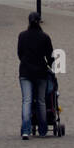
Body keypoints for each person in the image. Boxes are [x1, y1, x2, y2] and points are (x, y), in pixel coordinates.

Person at [17, 11, 54, 139]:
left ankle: (26, 130)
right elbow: (50, 56)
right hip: (40, 72)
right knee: (41, 101)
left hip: (25, 71)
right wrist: (50, 65)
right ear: (39, 22)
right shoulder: (45, 37)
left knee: (27, 100)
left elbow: (20, 53)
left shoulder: (22, 36)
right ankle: (42, 129)